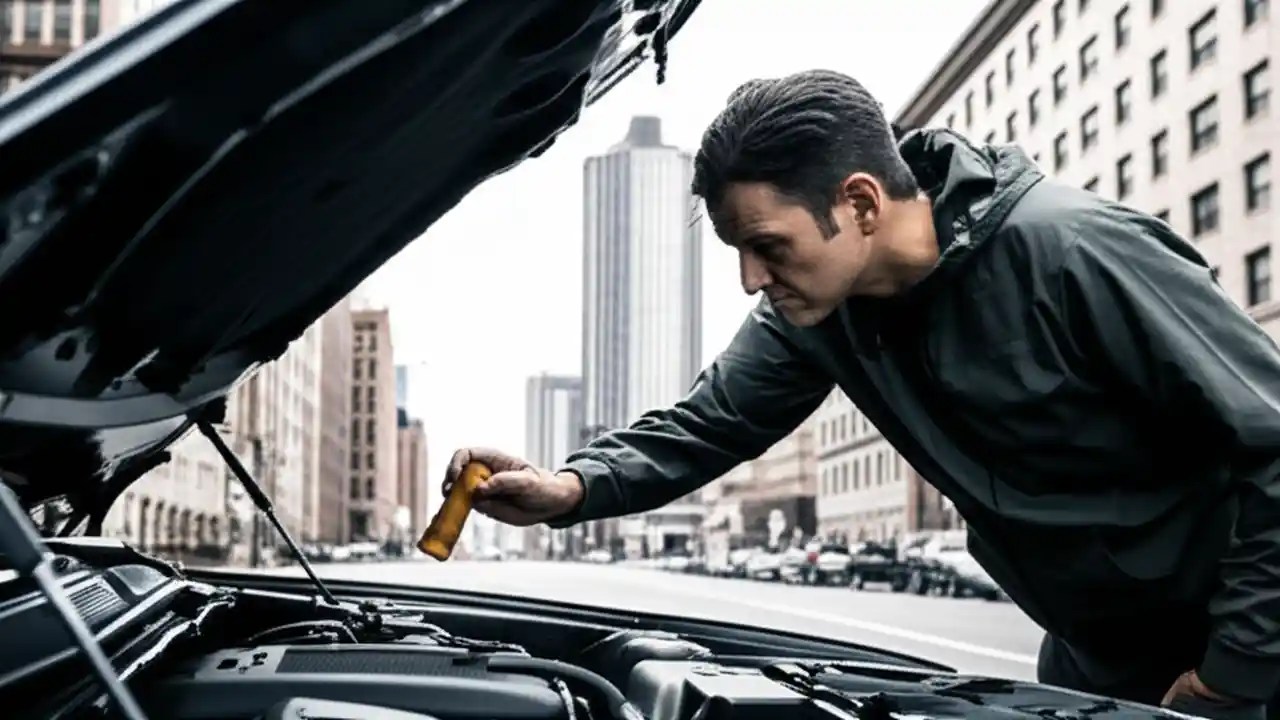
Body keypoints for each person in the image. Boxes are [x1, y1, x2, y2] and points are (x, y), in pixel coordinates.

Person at [443, 69, 1280, 720]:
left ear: (860, 202)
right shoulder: (819, 314)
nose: (750, 279)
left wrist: (1232, 676)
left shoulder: (1074, 252)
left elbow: (1273, 446)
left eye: (768, 246)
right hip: (1090, 662)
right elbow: (711, 421)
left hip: (1242, 654)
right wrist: (569, 487)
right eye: (739, 252)